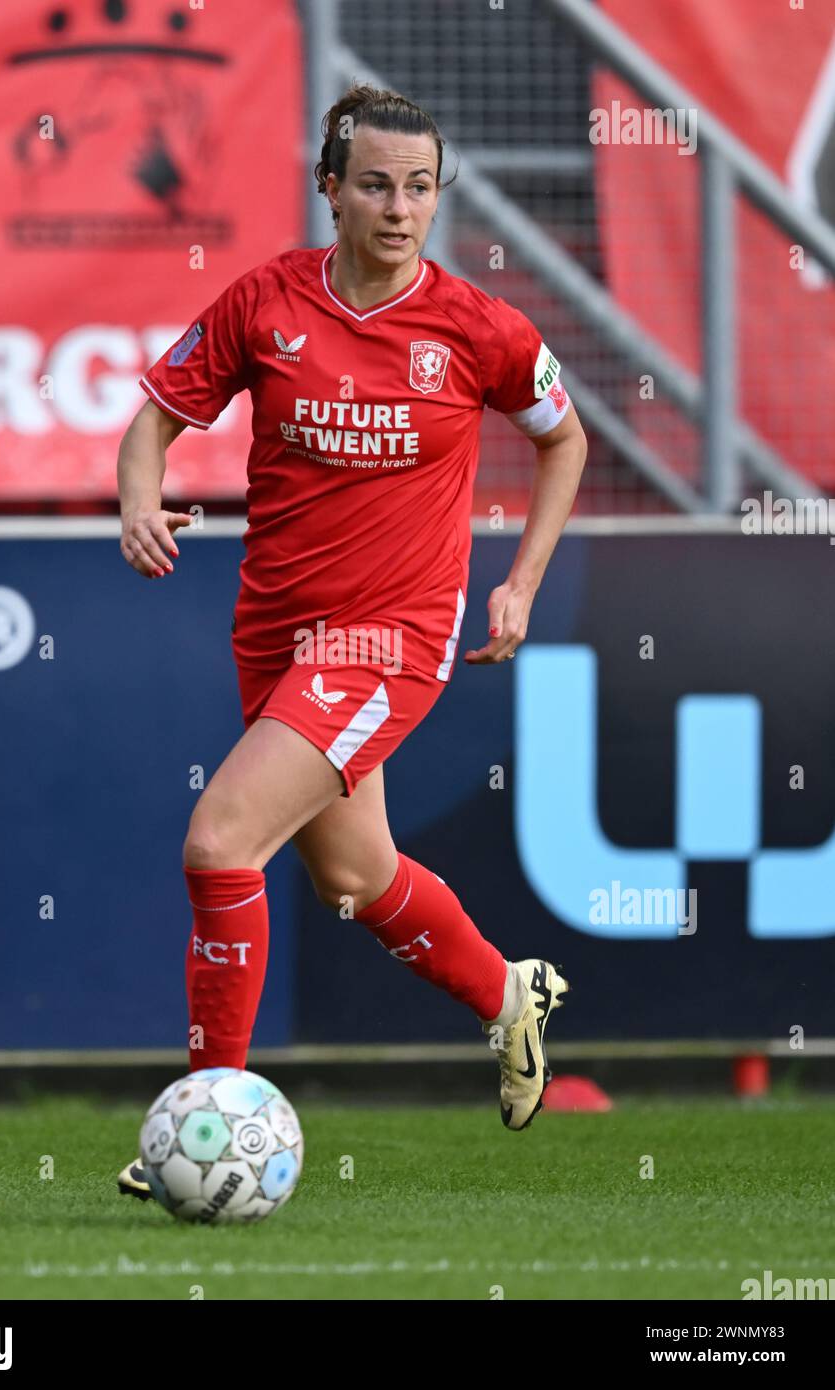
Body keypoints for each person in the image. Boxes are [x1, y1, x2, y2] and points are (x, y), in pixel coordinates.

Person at [116, 84, 587, 1200]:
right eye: (373, 183)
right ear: (329, 187)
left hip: (388, 639)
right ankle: (506, 994)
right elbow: (154, 419)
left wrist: (518, 582)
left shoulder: (476, 328)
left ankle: (204, 1118)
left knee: (220, 841)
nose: (398, 206)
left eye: (419, 187)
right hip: (276, 630)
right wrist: (139, 498)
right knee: (353, 874)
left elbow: (562, 443)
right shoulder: (266, 302)